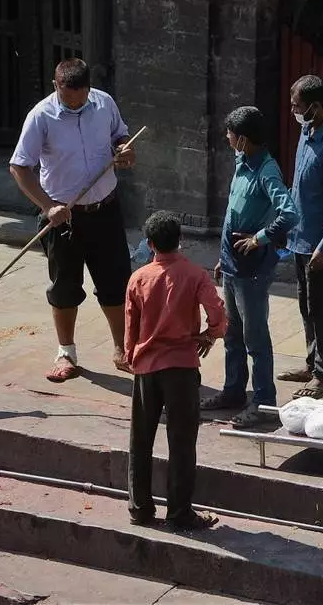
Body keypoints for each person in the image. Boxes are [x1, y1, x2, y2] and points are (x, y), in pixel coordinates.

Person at [9, 58, 136, 383]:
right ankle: (66, 351)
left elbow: (121, 137)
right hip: (63, 217)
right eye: (69, 101)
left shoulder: (104, 103)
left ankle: (122, 349)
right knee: (64, 286)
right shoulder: (41, 117)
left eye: (80, 101)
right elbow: (20, 168)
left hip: (105, 209)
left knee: (116, 283)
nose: (75, 107)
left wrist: (124, 151)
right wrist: (48, 206)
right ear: (57, 87)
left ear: (88, 89)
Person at [124, 211, 224, 531]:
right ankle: (179, 513)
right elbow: (217, 312)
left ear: (150, 244)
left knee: (141, 439)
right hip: (181, 367)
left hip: (146, 368)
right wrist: (211, 334)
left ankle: (140, 508)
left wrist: (131, 357)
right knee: (181, 442)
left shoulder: (138, 278)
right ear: (180, 240)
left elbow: (131, 328)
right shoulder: (195, 275)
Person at [202, 106, 298, 428]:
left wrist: (259, 238)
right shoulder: (241, 162)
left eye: (230, 134)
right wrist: (223, 255)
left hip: (252, 271)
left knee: (255, 338)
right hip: (231, 266)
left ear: (242, 139)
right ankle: (233, 391)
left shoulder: (267, 171)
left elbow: (289, 213)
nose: (226, 138)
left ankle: (264, 402)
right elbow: (233, 211)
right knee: (232, 335)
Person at [276, 76, 323, 399]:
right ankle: (311, 362)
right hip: (300, 237)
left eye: (297, 106)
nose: (293, 110)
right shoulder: (307, 132)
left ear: (316, 107)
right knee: (306, 305)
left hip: (320, 243)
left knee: (321, 307)